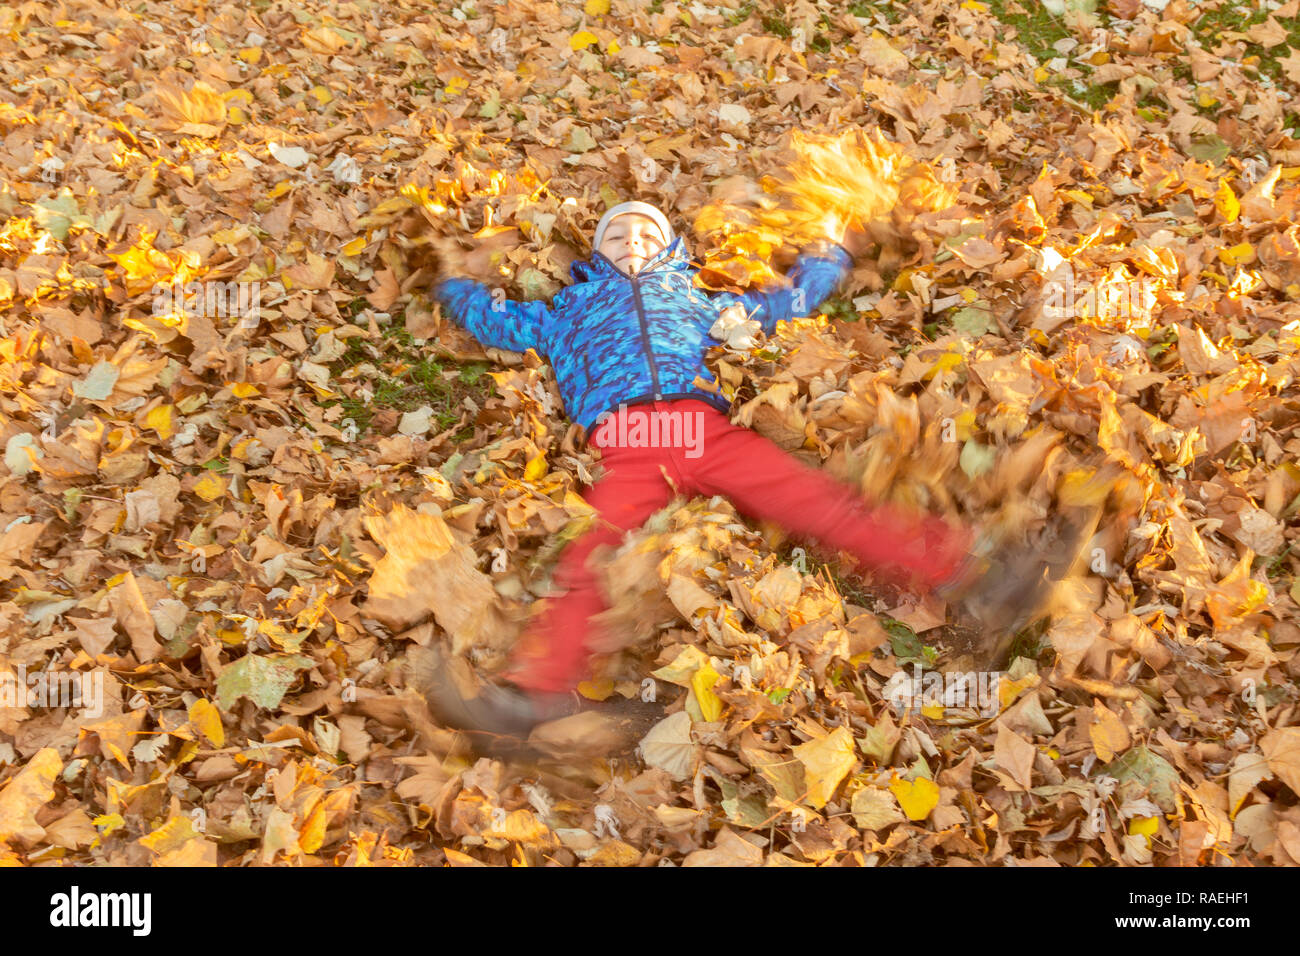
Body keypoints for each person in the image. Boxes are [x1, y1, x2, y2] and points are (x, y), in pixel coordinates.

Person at [420, 200, 1013, 737]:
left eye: (647, 234)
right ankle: (537, 696)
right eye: (617, 235)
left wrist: (832, 251)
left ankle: (965, 570)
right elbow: (498, 321)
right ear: (594, 255)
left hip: (706, 430)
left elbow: (785, 302)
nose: (633, 241)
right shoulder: (567, 308)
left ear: (672, 250)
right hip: (628, 442)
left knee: (817, 501)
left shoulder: (699, 299)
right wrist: (454, 278)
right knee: (591, 555)